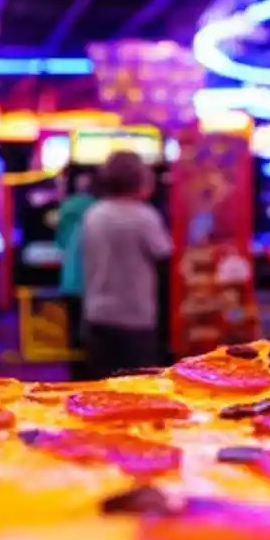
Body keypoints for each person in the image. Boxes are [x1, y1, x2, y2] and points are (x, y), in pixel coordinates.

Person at [80, 151, 171, 378]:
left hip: (97, 314)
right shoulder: (143, 216)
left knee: (102, 387)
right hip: (135, 317)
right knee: (137, 391)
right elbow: (165, 255)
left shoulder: (94, 213)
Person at [55, 172, 96, 379]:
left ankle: (75, 377)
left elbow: (60, 242)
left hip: (70, 279)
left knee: (73, 335)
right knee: (93, 337)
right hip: (95, 283)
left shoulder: (67, 205)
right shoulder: (99, 208)